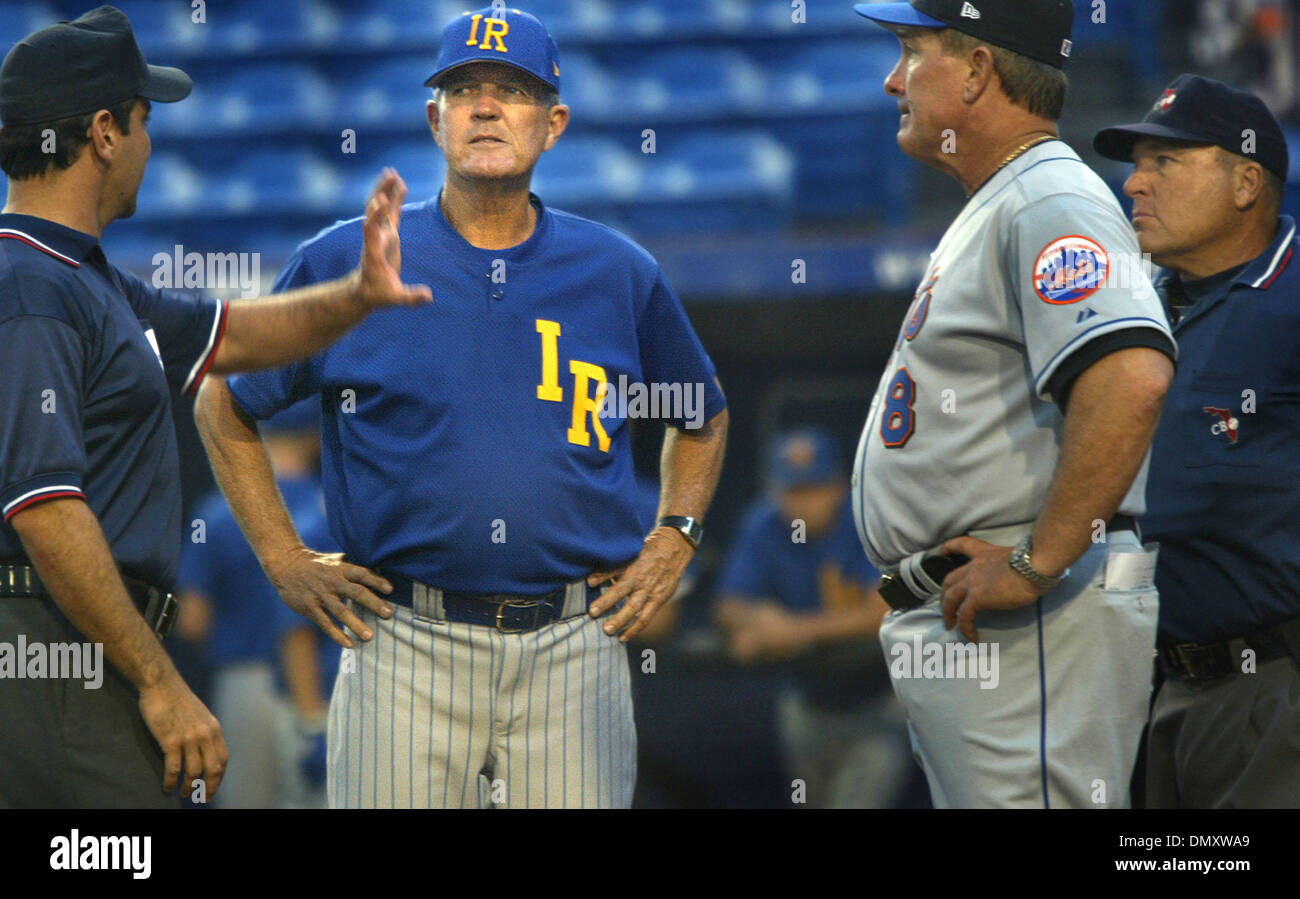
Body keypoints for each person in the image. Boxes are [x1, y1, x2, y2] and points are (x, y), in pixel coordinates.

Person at [192, 7, 729, 809]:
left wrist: (676, 534)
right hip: (403, 638)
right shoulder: (351, 259)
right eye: (464, 88)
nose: (485, 106)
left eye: (512, 90)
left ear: (553, 124)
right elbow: (222, 400)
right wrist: (282, 556)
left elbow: (703, 415)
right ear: (433, 118)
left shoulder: (618, 272)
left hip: (574, 644)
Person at [0, 6, 429, 809]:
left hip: (79, 648)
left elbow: (230, 334)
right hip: (48, 651)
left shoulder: (83, 278)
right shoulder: (30, 284)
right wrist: (160, 683)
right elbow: (45, 508)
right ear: (102, 133)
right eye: (142, 120)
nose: (150, 145)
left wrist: (358, 296)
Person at [850, 0, 1177, 808]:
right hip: (987, 613)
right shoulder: (1009, 198)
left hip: (1030, 613)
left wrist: (1035, 565)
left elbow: (1131, 378)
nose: (894, 79)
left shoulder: (1047, 199)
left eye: (910, 51)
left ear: (976, 69)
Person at [1094, 74, 1300, 808]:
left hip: (1273, 689)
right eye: (1136, 163)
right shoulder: (1138, 304)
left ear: (1247, 181)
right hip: (1160, 690)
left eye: (1165, 162)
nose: (1134, 184)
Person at [713, 429, 908, 809]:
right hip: (806, 704)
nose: (804, 504)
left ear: (837, 486)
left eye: (814, 489)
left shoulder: (865, 519)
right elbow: (728, 605)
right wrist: (756, 618)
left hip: (877, 702)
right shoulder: (764, 524)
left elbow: (885, 609)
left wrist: (792, 629)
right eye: (793, 491)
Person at [174, 399, 336, 808]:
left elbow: (191, 621)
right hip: (320, 684)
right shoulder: (332, 509)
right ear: (316, 436)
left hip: (243, 680)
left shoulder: (215, 511)